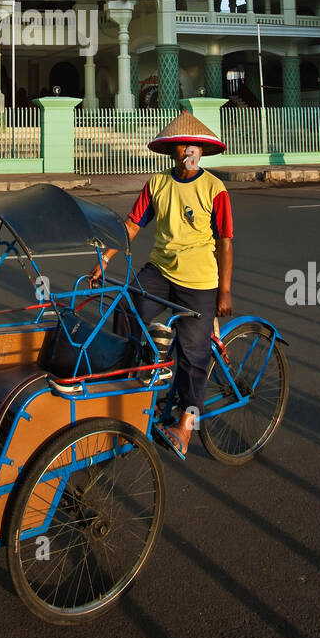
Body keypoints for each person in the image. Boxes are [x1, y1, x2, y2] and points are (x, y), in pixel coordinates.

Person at [89, 111, 233, 458]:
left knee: (193, 354)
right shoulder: (157, 184)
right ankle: (136, 379)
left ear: (200, 150)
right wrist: (105, 258)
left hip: (199, 280)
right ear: (172, 150)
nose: (188, 150)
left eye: (194, 146)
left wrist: (225, 290)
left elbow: (225, 241)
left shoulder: (215, 188)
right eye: (182, 145)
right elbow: (132, 226)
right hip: (160, 270)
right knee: (126, 309)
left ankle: (186, 424)